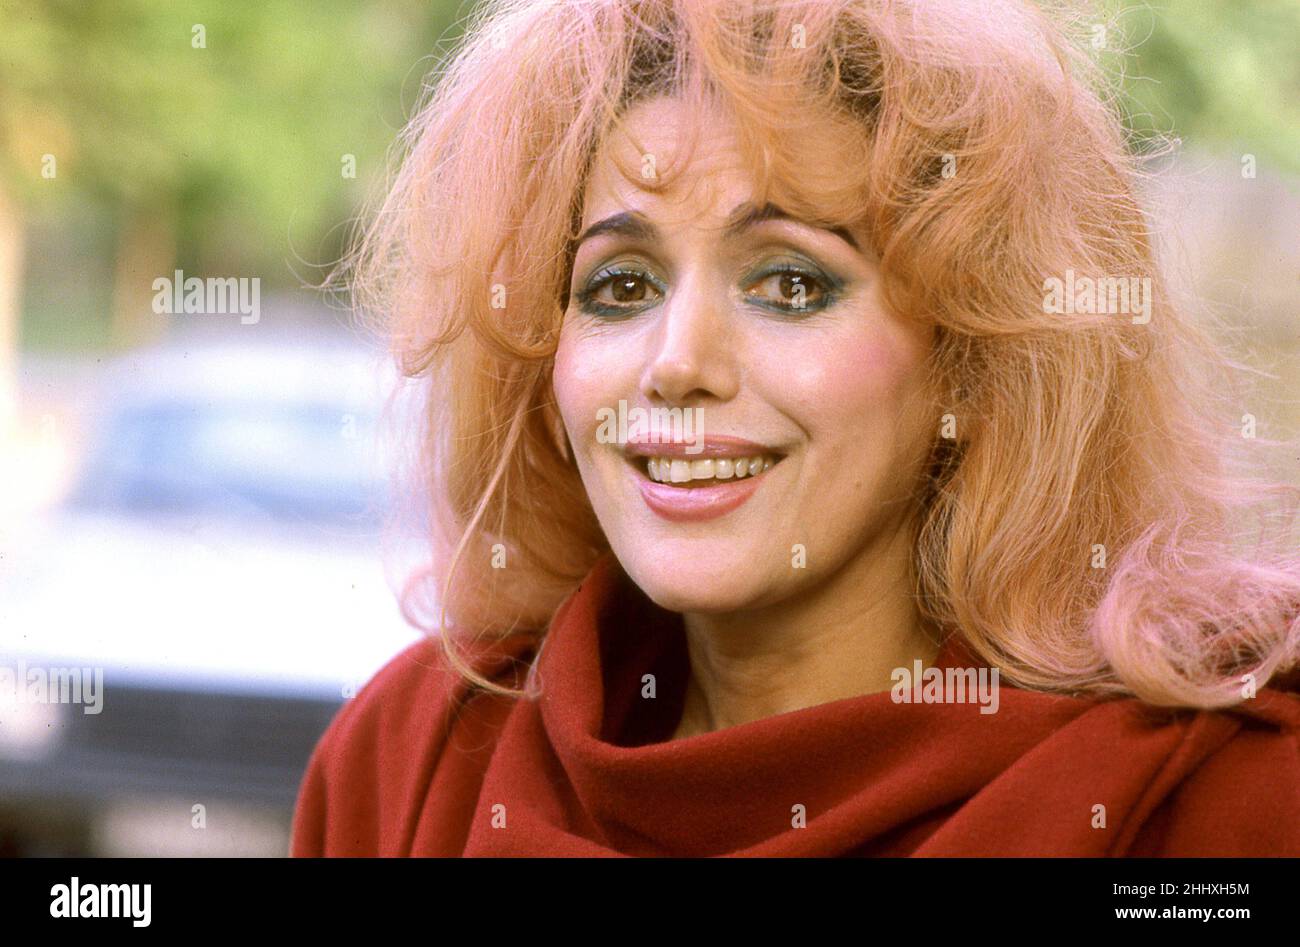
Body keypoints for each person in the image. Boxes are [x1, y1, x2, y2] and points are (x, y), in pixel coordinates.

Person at [290, 0, 1300, 856]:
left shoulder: (1222, 803)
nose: (676, 360)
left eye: (789, 281)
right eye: (619, 285)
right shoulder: (410, 759)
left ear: (976, 361)